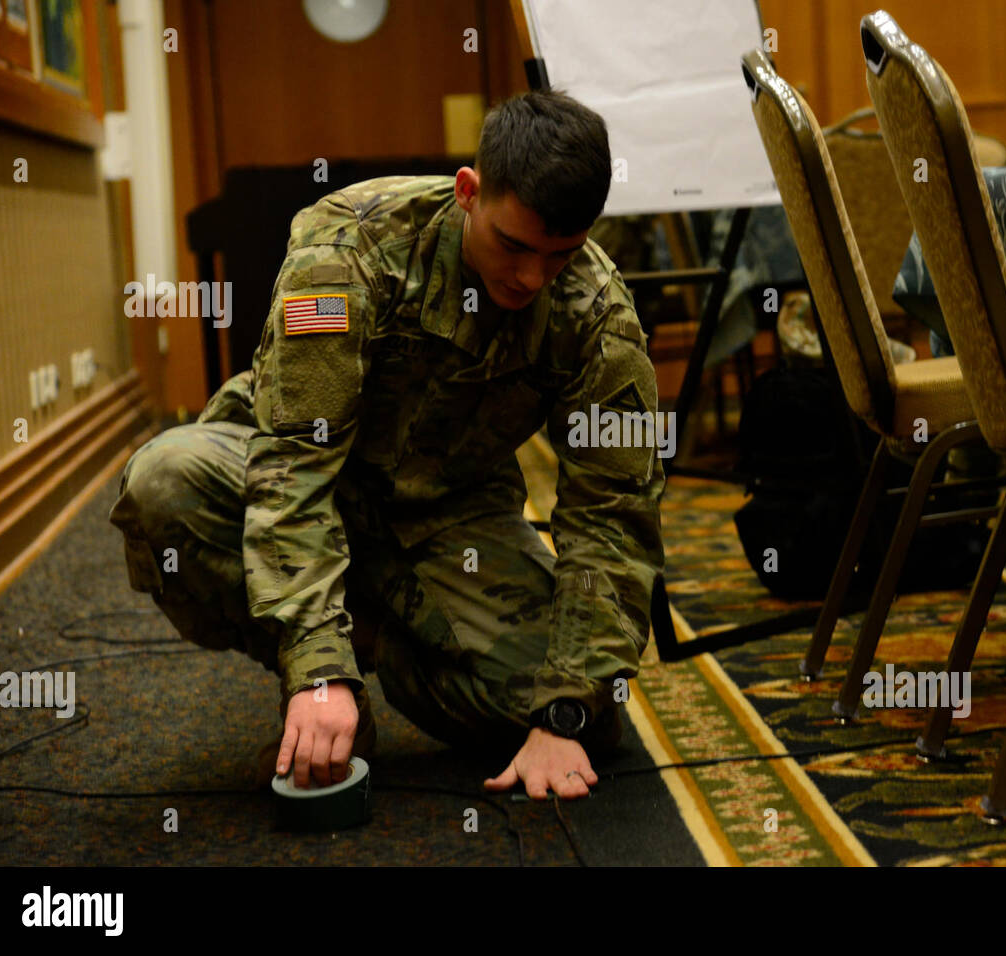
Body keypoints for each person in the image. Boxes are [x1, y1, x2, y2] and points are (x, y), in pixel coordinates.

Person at [108, 89, 666, 801]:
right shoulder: (349, 250)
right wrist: (314, 665)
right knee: (162, 484)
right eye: (515, 246)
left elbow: (613, 518)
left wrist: (562, 712)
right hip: (314, 476)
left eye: (559, 256)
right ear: (469, 192)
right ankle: (326, 677)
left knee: (587, 712)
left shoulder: (597, 314)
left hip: (450, 518)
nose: (531, 278)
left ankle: (371, 635)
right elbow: (294, 470)